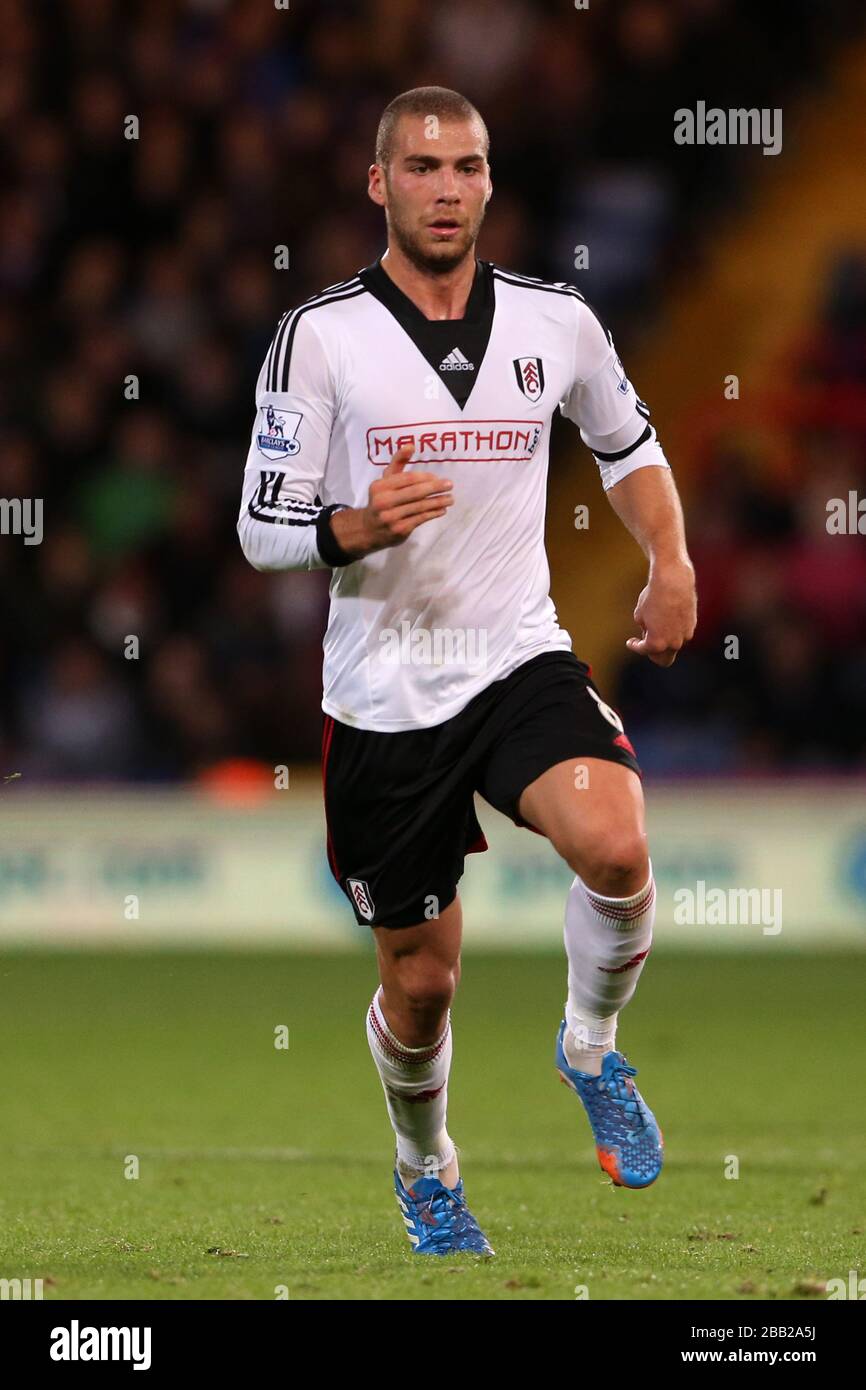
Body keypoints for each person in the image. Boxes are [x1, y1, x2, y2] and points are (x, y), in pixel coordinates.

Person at [237, 86, 697, 1256]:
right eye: (424, 166)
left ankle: (587, 1048)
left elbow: (625, 443)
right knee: (422, 988)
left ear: (491, 183)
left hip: (514, 656)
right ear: (377, 184)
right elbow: (259, 524)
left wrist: (670, 557)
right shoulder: (322, 335)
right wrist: (351, 525)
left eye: (468, 166)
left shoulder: (557, 321)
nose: (448, 187)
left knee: (616, 846)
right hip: (385, 696)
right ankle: (424, 1167)